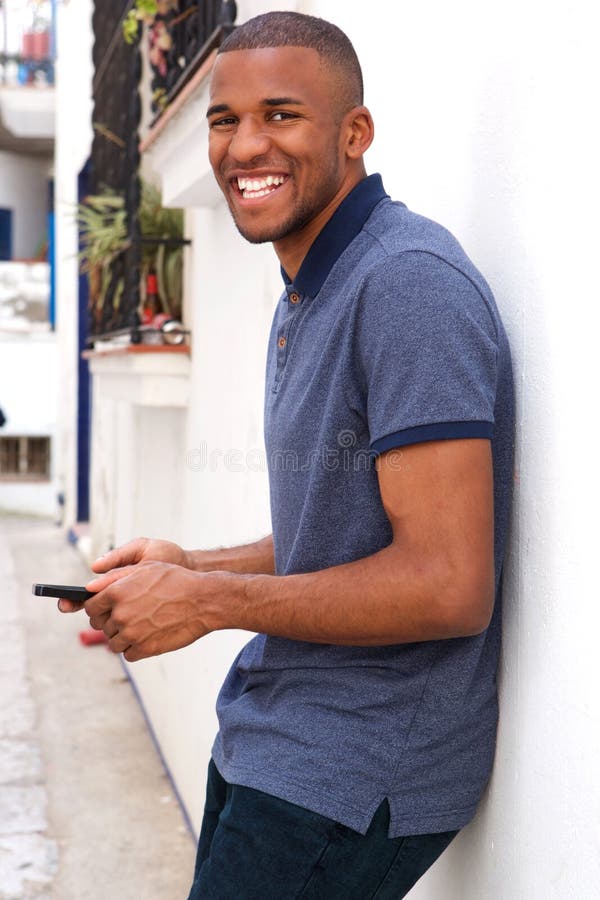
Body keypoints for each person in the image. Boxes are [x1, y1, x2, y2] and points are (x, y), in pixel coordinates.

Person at [60, 12, 514, 898]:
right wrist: (188, 566)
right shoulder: (313, 286)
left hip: (350, 773)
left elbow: (451, 583)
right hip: (279, 739)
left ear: (355, 134)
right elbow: (347, 535)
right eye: (225, 120)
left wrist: (206, 601)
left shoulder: (408, 284)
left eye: (280, 114)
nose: (243, 145)